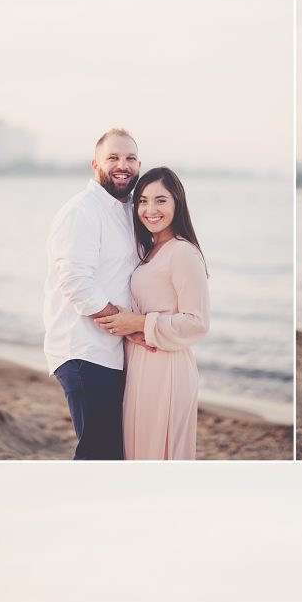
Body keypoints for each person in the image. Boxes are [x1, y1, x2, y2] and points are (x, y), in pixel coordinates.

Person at [94, 167, 210, 460]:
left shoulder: (183, 253)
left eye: (161, 200)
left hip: (168, 367)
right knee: (138, 451)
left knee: (160, 454)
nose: (150, 210)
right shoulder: (149, 251)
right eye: (143, 201)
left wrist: (139, 322)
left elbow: (196, 323)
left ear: (177, 203)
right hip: (139, 365)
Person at [43, 128, 141, 460]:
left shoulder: (127, 211)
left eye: (129, 158)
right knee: (99, 455)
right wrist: (127, 324)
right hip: (84, 352)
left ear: (138, 164)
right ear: (94, 164)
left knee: (112, 452)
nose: (122, 165)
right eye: (112, 157)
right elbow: (75, 281)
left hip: (109, 353)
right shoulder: (82, 210)